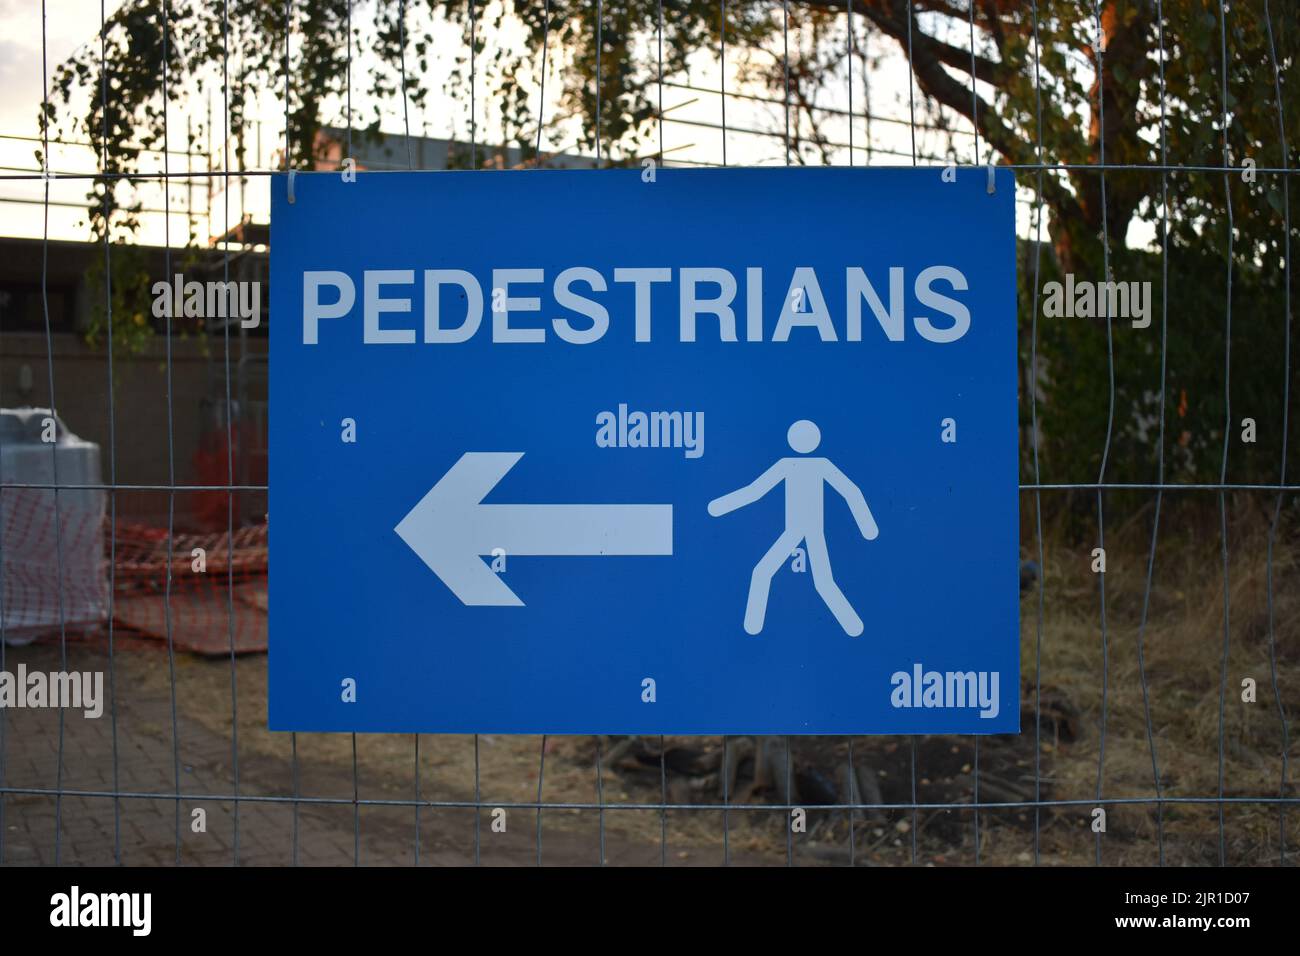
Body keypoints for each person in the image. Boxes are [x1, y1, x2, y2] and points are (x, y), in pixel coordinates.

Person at [707, 420, 878, 636]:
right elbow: (755, 491)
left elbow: (850, 491)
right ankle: (852, 626)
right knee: (812, 580)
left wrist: (868, 528)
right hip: (797, 531)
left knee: (770, 573)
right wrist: (720, 506)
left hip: (808, 531)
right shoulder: (793, 465)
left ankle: (853, 626)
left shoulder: (815, 465)